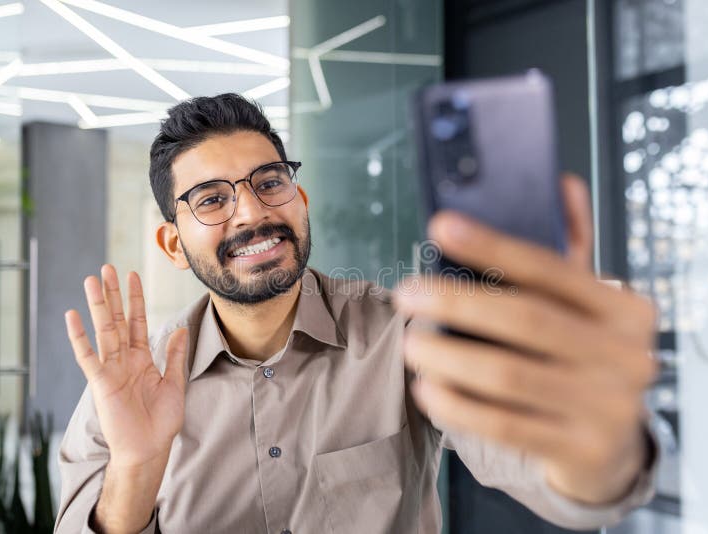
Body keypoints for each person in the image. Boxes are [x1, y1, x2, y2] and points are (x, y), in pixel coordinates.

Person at [54, 93, 658, 534]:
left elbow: (547, 471)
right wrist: (135, 467)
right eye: (212, 199)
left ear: (301, 201)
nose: (251, 213)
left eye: (269, 183)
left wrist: (596, 448)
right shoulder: (131, 383)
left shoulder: (405, 334)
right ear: (172, 245)